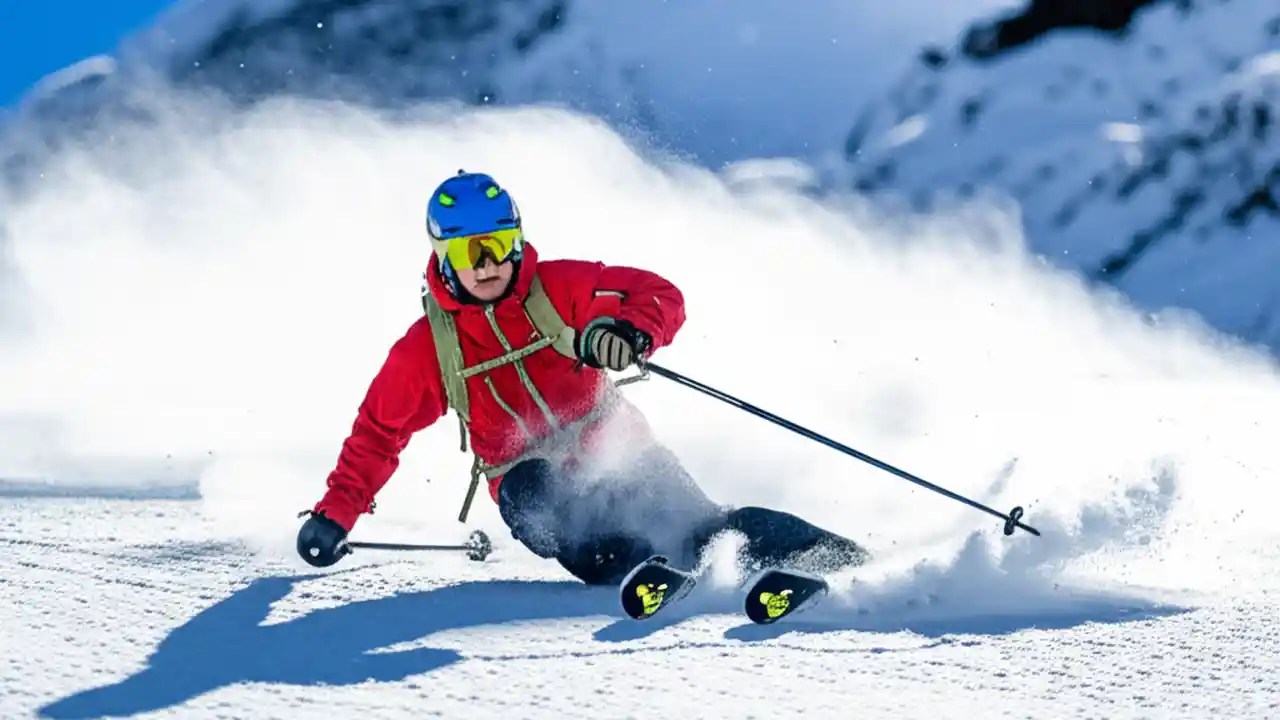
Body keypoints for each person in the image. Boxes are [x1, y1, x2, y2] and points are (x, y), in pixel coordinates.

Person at [296, 171, 869, 584]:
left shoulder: (557, 288)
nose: (488, 263)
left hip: (618, 451)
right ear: (444, 258)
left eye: (499, 245)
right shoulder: (430, 348)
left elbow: (659, 294)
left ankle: (840, 563)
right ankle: (639, 569)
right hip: (531, 484)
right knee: (538, 497)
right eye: (470, 253)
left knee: (705, 531)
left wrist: (629, 333)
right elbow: (378, 433)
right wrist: (334, 515)